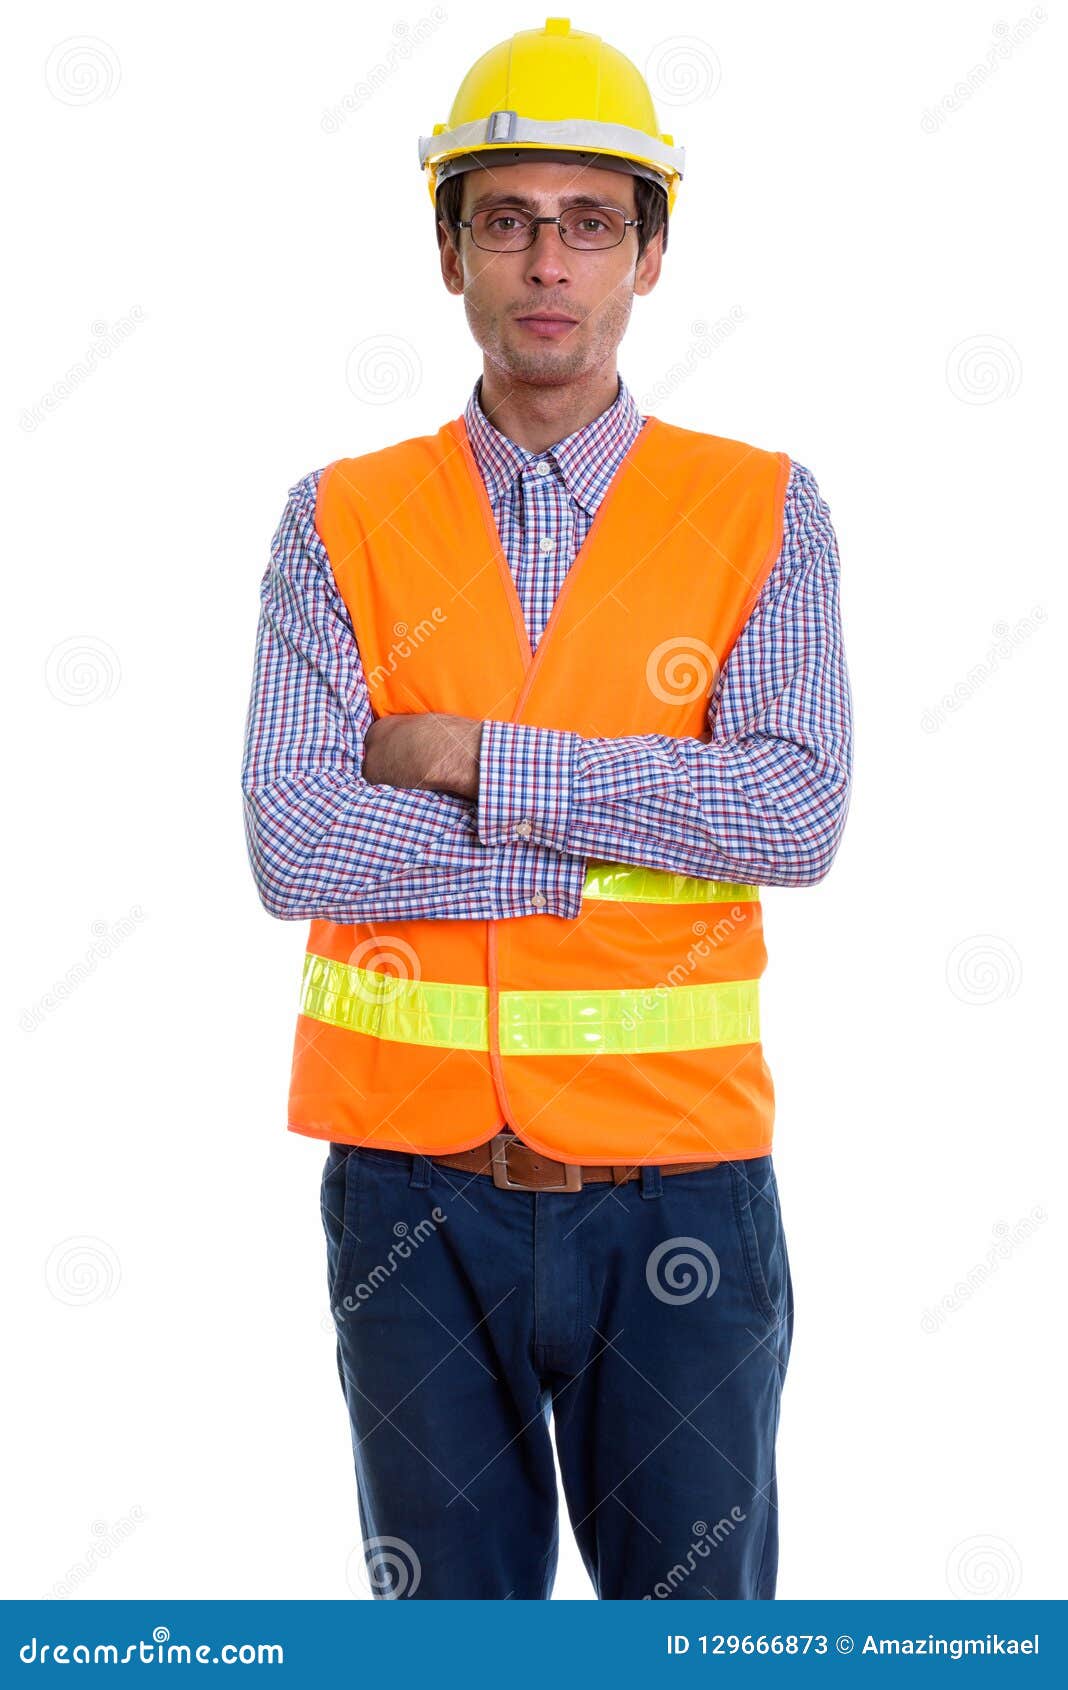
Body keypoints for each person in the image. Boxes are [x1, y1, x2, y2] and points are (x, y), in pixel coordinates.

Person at [240, 16, 853, 1600]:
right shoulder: (342, 517)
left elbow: (791, 811)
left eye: (590, 220)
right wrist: (616, 842)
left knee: (694, 1647)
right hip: (407, 1196)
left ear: (651, 252)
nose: (547, 262)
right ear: (449, 251)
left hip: (683, 1194)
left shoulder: (761, 507)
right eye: (506, 219)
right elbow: (296, 840)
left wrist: (465, 755)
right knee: (445, 1647)